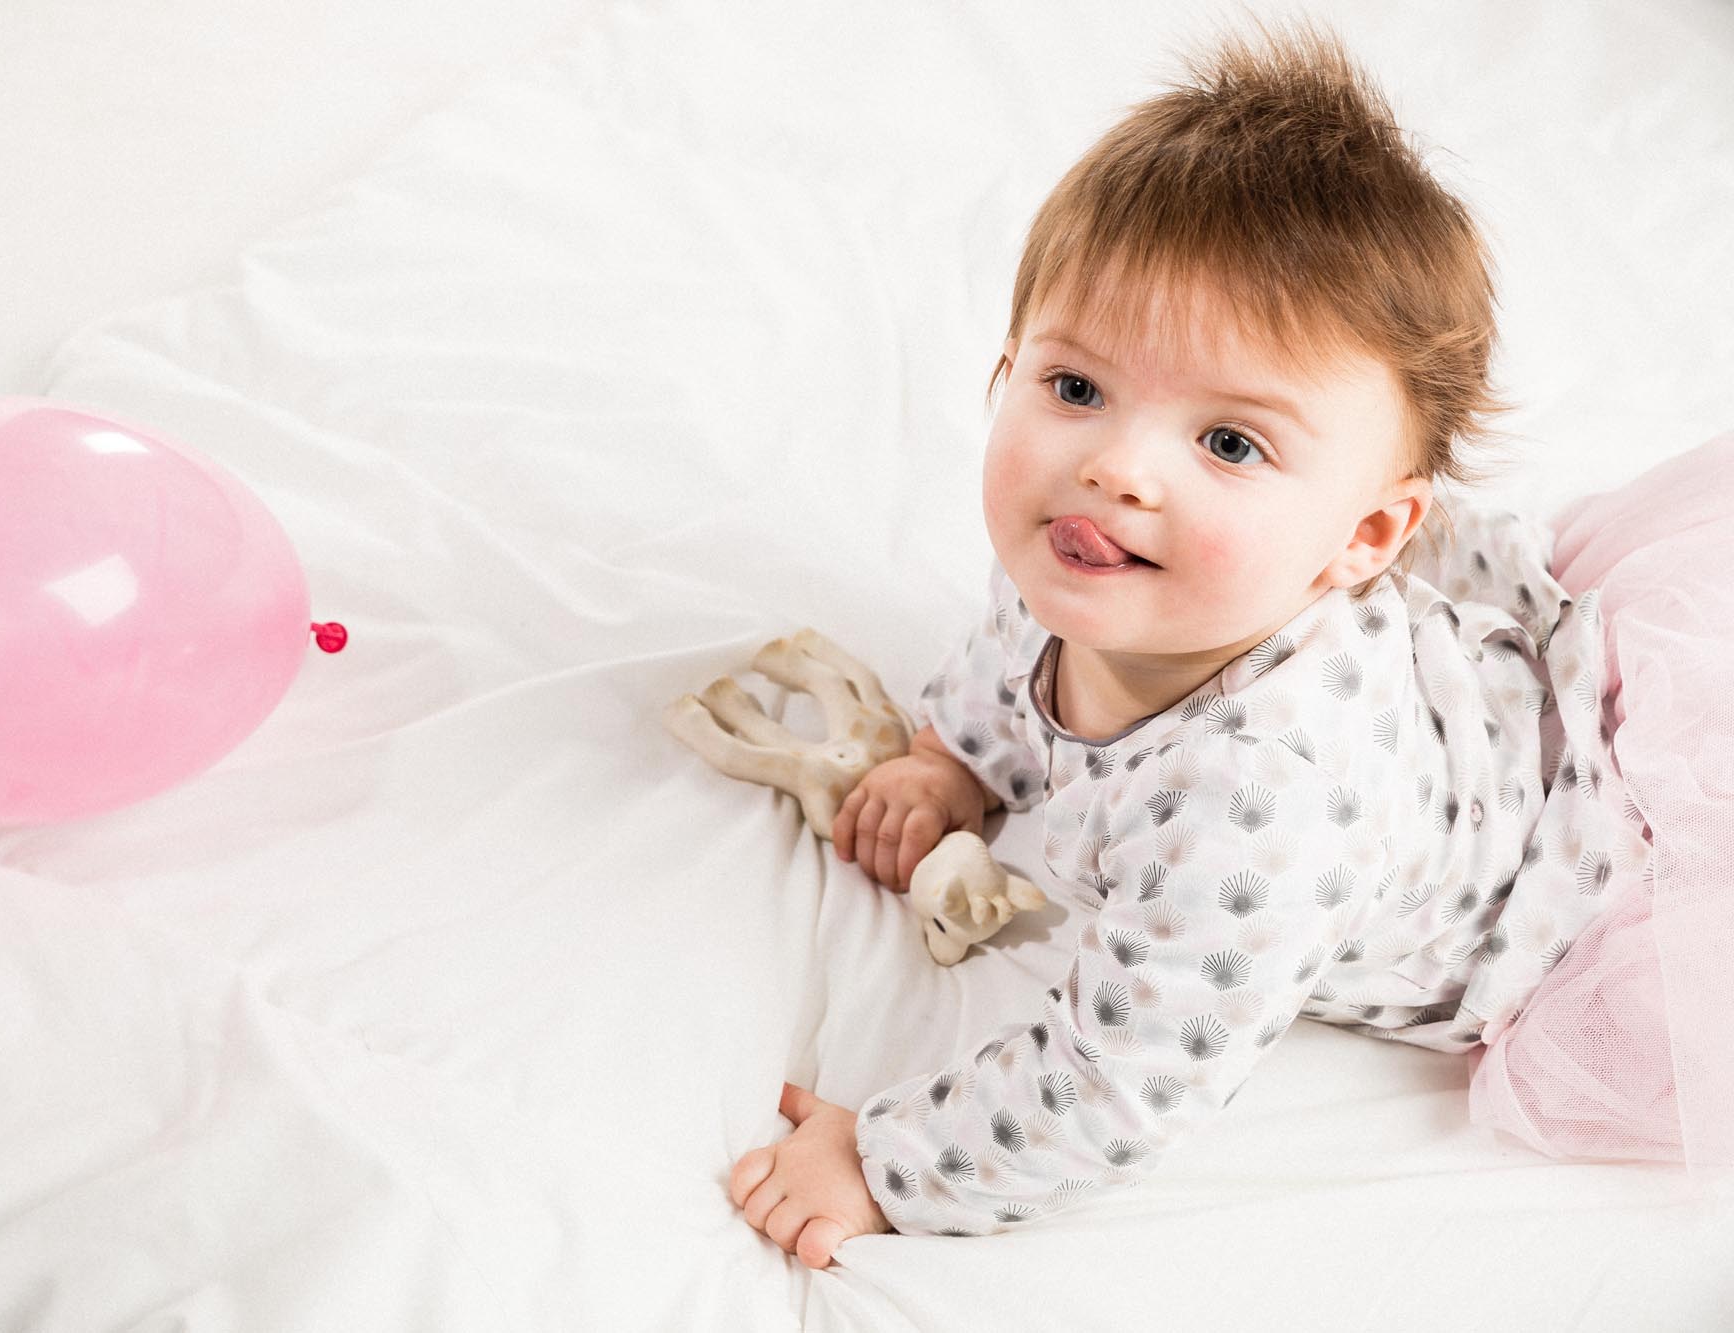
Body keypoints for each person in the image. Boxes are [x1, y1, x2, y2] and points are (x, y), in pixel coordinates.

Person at [728, 17, 1727, 1270]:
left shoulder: (1256, 801)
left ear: (1363, 536)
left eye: (1228, 442)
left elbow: (1114, 1082)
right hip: (1475, 705)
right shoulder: (1091, 554)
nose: (1114, 466)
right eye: (1074, 388)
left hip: (1595, 879)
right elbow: (1011, 645)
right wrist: (954, 758)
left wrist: (886, 1165)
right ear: (1007, 365)